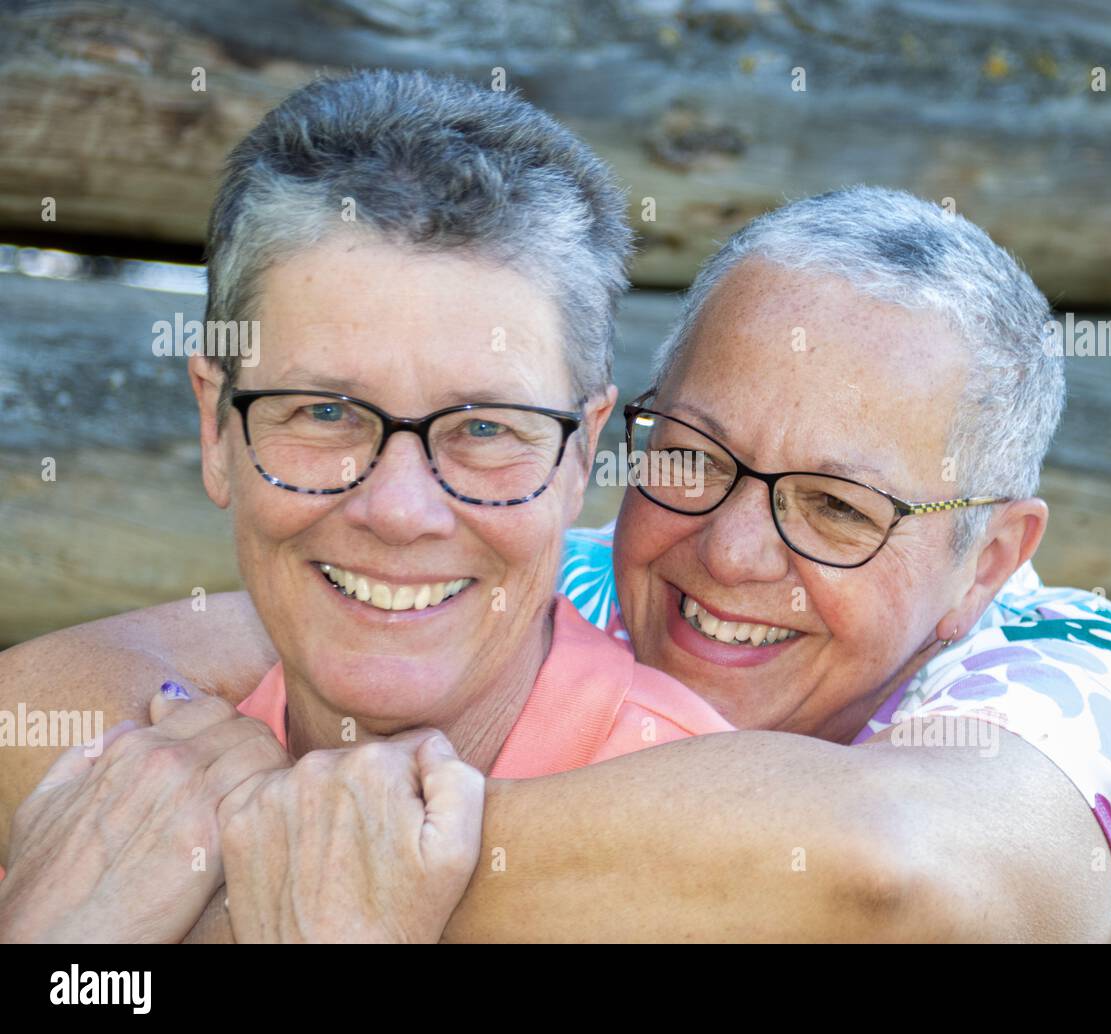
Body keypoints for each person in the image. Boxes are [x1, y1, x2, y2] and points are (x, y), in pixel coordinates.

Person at [0, 88, 1111, 941]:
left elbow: (889, 868)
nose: (733, 551)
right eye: (691, 459)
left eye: (838, 508)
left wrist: (224, 886)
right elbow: (260, 618)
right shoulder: (546, 565)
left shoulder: (1081, 672)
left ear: (986, 557)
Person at [0, 69, 731, 943]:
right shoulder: (110, 813)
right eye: (325, 412)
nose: (398, 508)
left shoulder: (721, 845)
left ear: (582, 453)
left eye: (486, 427)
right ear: (214, 427)